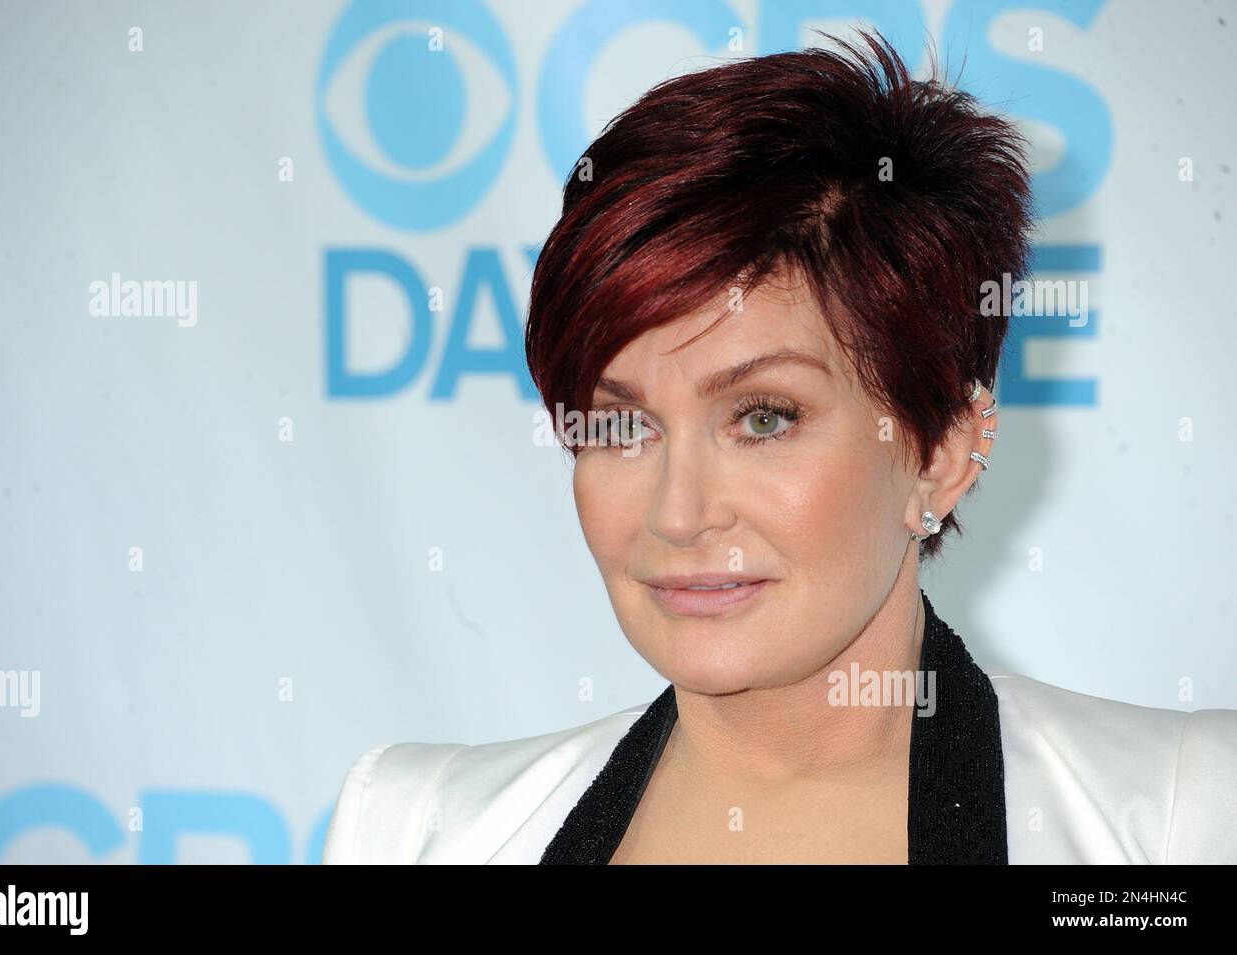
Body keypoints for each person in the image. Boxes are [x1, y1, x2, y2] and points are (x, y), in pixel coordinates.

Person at [323, 32, 1237, 864]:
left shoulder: (1175, 820)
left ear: (944, 450)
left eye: (763, 417)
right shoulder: (419, 830)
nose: (680, 514)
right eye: (624, 424)